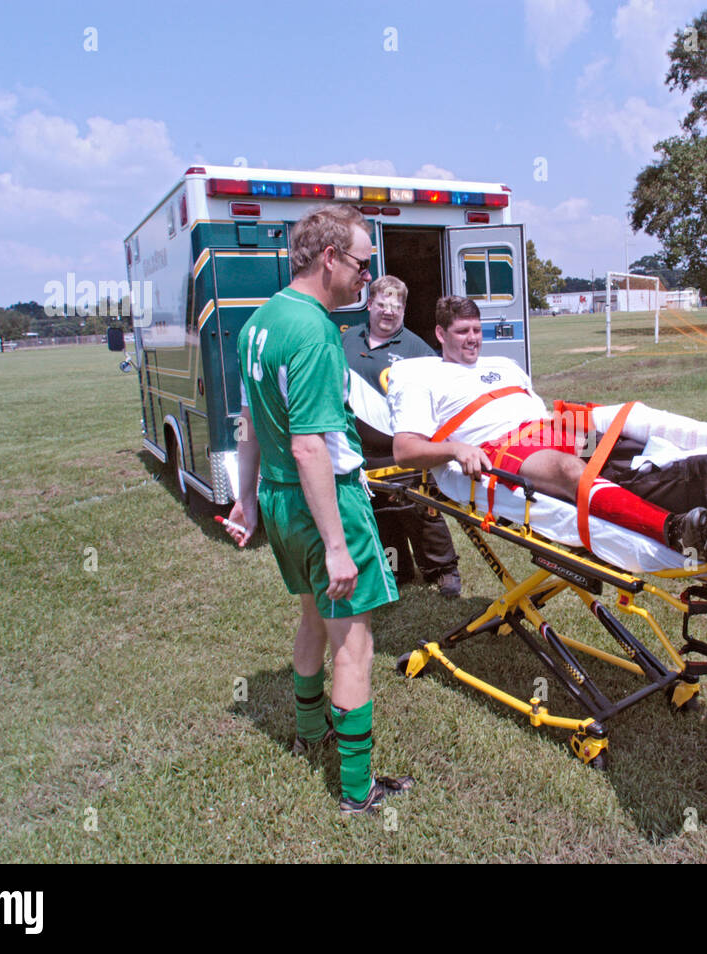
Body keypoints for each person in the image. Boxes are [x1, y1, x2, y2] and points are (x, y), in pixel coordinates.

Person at [224, 204, 413, 816]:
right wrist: (337, 543)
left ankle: (309, 736)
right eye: (362, 265)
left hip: (279, 500)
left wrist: (247, 499)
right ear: (329, 258)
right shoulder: (314, 331)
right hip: (321, 502)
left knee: (312, 619)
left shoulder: (259, 321)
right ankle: (357, 791)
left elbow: (249, 422)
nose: (367, 279)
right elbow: (310, 445)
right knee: (353, 647)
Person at [389, 296, 707, 560]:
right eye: (463, 331)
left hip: (545, 426)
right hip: (505, 446)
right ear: (440, 334)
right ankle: (674, 530)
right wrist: (456, 449)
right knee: (567, 469)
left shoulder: (503, 364)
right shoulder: (423, 377)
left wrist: (571, 428)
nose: (473, 339)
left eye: (477, 330)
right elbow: (404, 450)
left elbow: (537, 407)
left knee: (625, 427)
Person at [341, 274, 462, 596]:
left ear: (404, 310)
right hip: (361, 452)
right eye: (382, 304)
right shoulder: (347, 340)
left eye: (396, 306)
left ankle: (443, 570)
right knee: (383, 517)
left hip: (405, 451)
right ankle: (398, 571)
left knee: (421, 513)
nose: (388, 312)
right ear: (370, 305)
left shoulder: (416, 349)